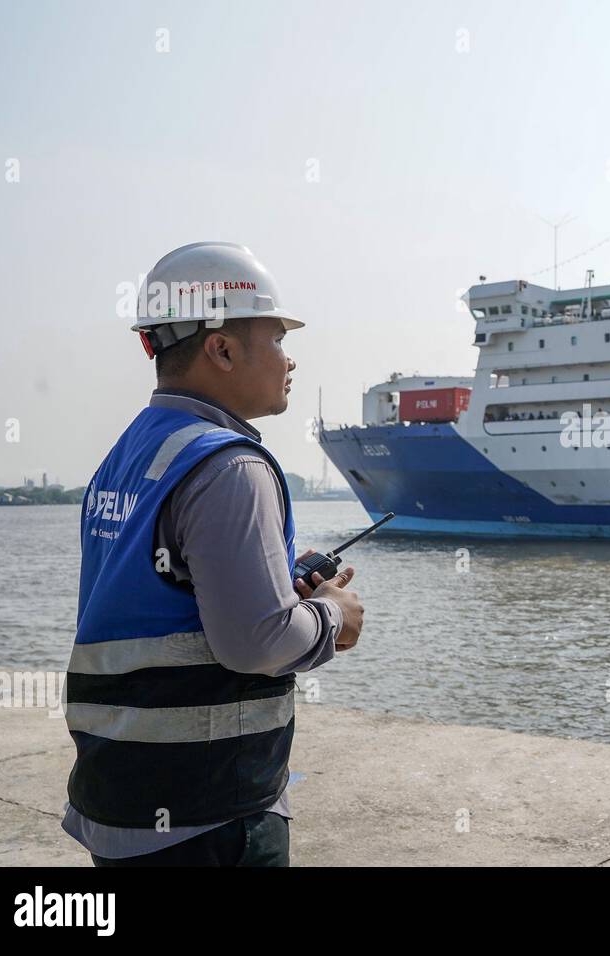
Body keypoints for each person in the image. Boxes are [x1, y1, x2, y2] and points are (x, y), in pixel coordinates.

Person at [64, 242, 365, 867]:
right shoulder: (231, 466)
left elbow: (158, 599)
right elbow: (255, 643)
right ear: (222, 349)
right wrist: (332, 615)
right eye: (277, 336)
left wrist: (270, 588)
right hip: (206, 818)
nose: (290, 357)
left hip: (120, 798)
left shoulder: (125, 459)